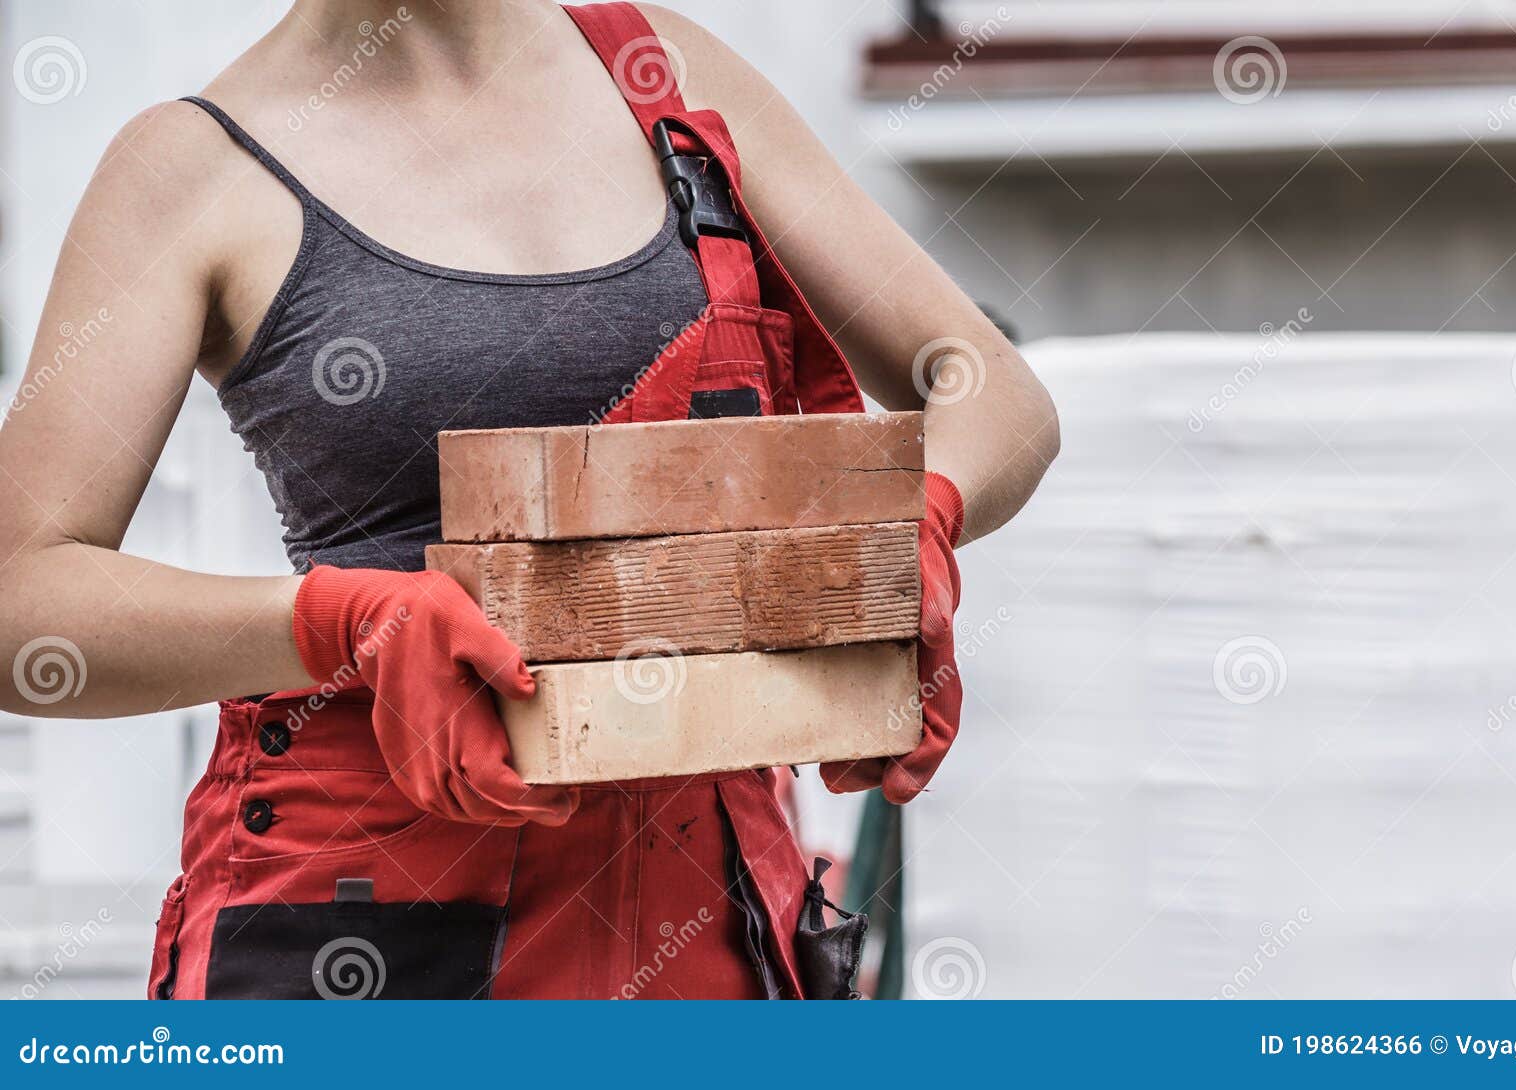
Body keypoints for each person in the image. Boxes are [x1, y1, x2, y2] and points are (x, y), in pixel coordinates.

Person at [0, 0, 1058, 999]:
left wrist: (911, 523)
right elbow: (21, 597)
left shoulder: (664, 80)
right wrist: (342, 623)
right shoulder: (191, 170)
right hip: (366, 939)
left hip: (707, 924)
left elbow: (988, 387)